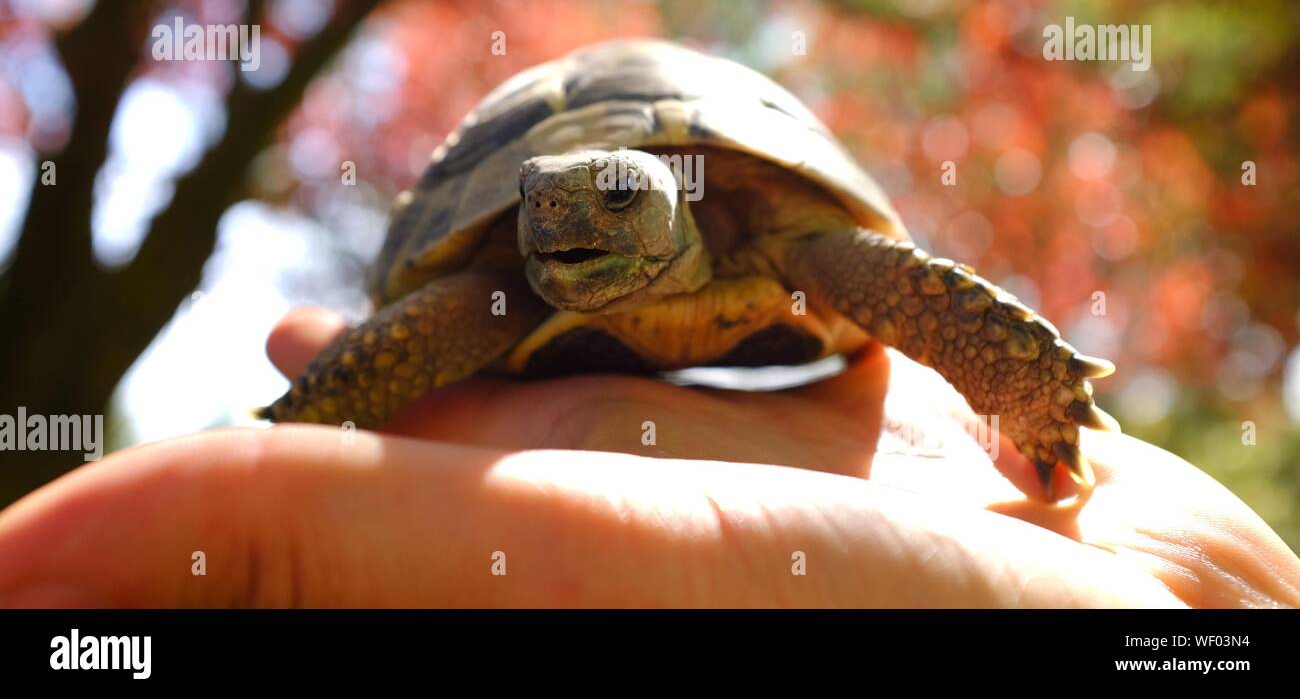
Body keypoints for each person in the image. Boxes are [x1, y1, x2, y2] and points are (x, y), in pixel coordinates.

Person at [0, 307, 1297, 608]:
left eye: (616, 202)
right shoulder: (496, 289)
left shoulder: (810, 253)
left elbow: (887, 286)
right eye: (548, 217)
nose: (572, 225)